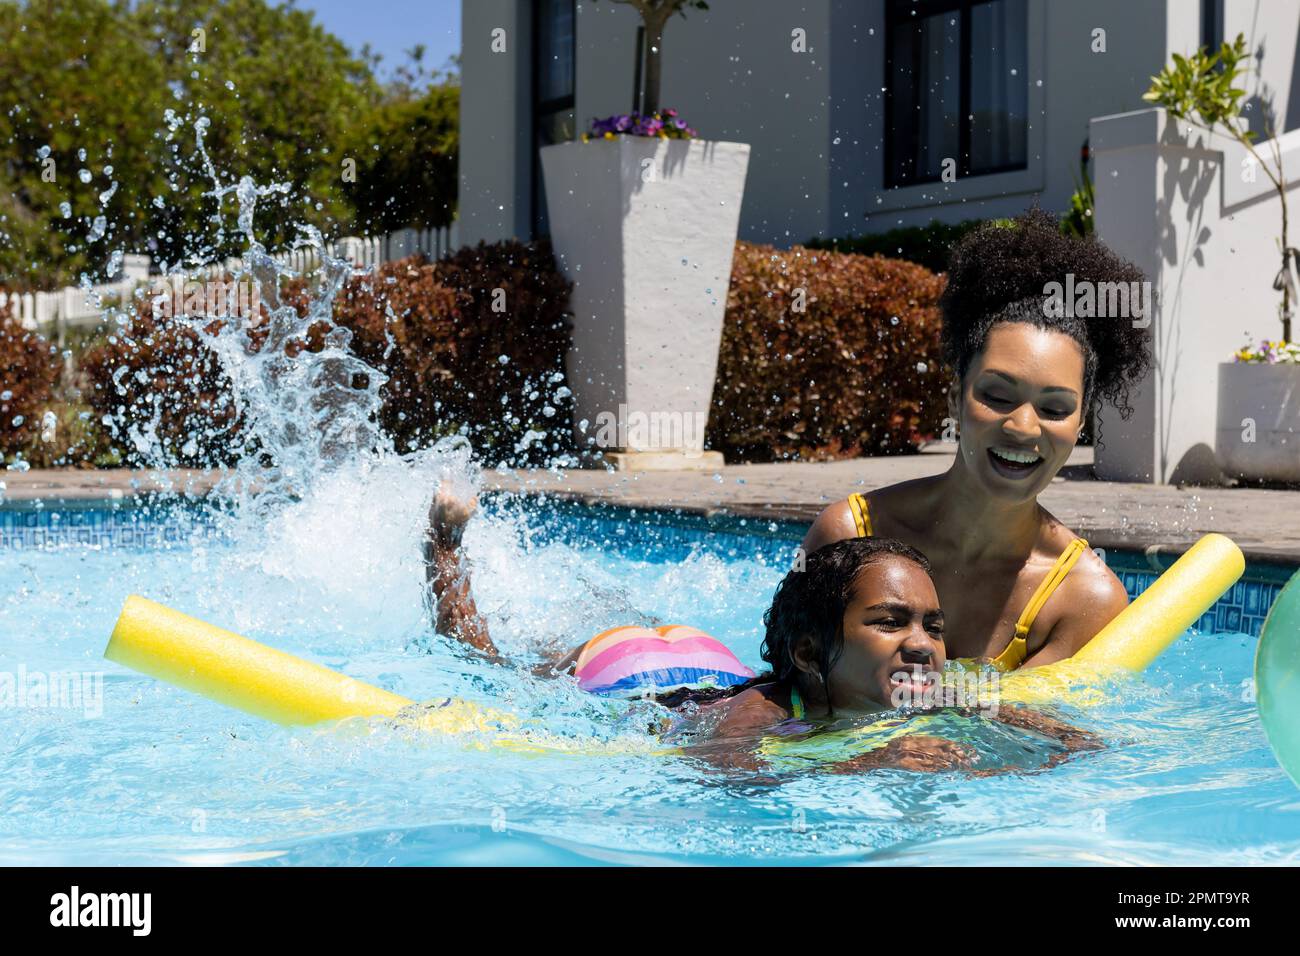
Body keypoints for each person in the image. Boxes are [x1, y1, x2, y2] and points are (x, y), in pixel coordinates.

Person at [424, 490, 1099, 772]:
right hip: (627, 675)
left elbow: (1022, 720)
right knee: (489, 663)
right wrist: (863, 763)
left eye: (933, 624)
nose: (920, 643)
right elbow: (719, 766)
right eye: (889, 622)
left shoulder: (926, 688)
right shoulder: (768, 708)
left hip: (705, 653)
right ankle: (446, 547)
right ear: (810, 652)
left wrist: (1058, 743)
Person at [802, 210, 1150, 669]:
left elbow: (1038, 738)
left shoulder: (1083, 598)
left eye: (1055, 409)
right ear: (954, 399)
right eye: (997, 396)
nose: (1023, 428)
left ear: (1080, 424)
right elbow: (792, 685)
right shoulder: (851, 534)